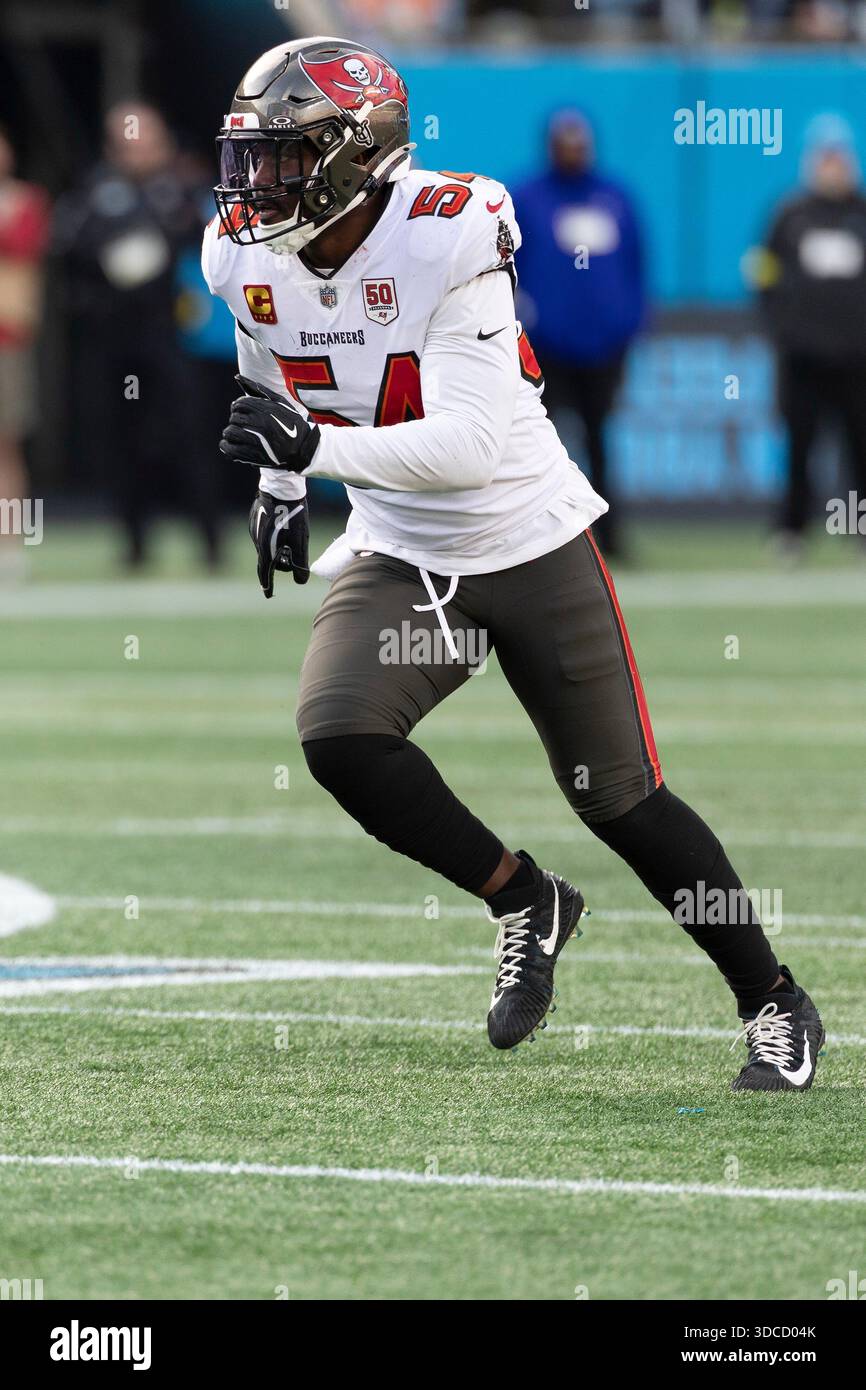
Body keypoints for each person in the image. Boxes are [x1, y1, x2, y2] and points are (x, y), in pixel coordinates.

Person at [207, 36, 823, 1091]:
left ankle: (772, 998)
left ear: (355, 154)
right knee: (338, 737)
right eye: (248, 159)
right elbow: (270, 369)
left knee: (618, 798)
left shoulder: (449, 230)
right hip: (401, 548)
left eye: (280, 158)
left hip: (523, 534)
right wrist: (276, 492)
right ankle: (522, 897)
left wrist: (310, 458)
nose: (254, 186)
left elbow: (465, 450)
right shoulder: (241, 255)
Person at [55, 103, 221, 568]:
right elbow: (72, 243)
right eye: (130, 141)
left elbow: (204, 236)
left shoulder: (183, 189)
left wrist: (153, 247)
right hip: (113, 340)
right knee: (121, 439)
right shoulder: (95, 190)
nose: (139, 151)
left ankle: (210, 540)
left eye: (147, 140)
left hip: (170, 338)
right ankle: (134, 543)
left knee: (188, 436)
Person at [511, 109, 645, 557]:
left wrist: (628, 324)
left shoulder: (614, 197)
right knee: (537, 445)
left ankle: (610, 538)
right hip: (545, 348)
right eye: (565, 141)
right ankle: (536, 542)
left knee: (600, 441)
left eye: (580, 141)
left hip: (604, 349)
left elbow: (636, 267)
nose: (573, 149)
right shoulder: (527, 198)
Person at [755, 113, 866, 557]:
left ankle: (858, 527)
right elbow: (764, 273)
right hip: (803, 357)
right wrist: (783, 327)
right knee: (800, 445)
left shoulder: (861, 213)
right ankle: (793, 530)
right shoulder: (790, 215)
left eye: (839, 158)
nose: (832, 167)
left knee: (860, 446)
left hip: (857, 358)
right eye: (825, 158)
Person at [0, 126, 50, 576]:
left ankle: (12, 544)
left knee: (7, 445)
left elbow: (26, 245)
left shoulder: (26, 201)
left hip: (6, 339)